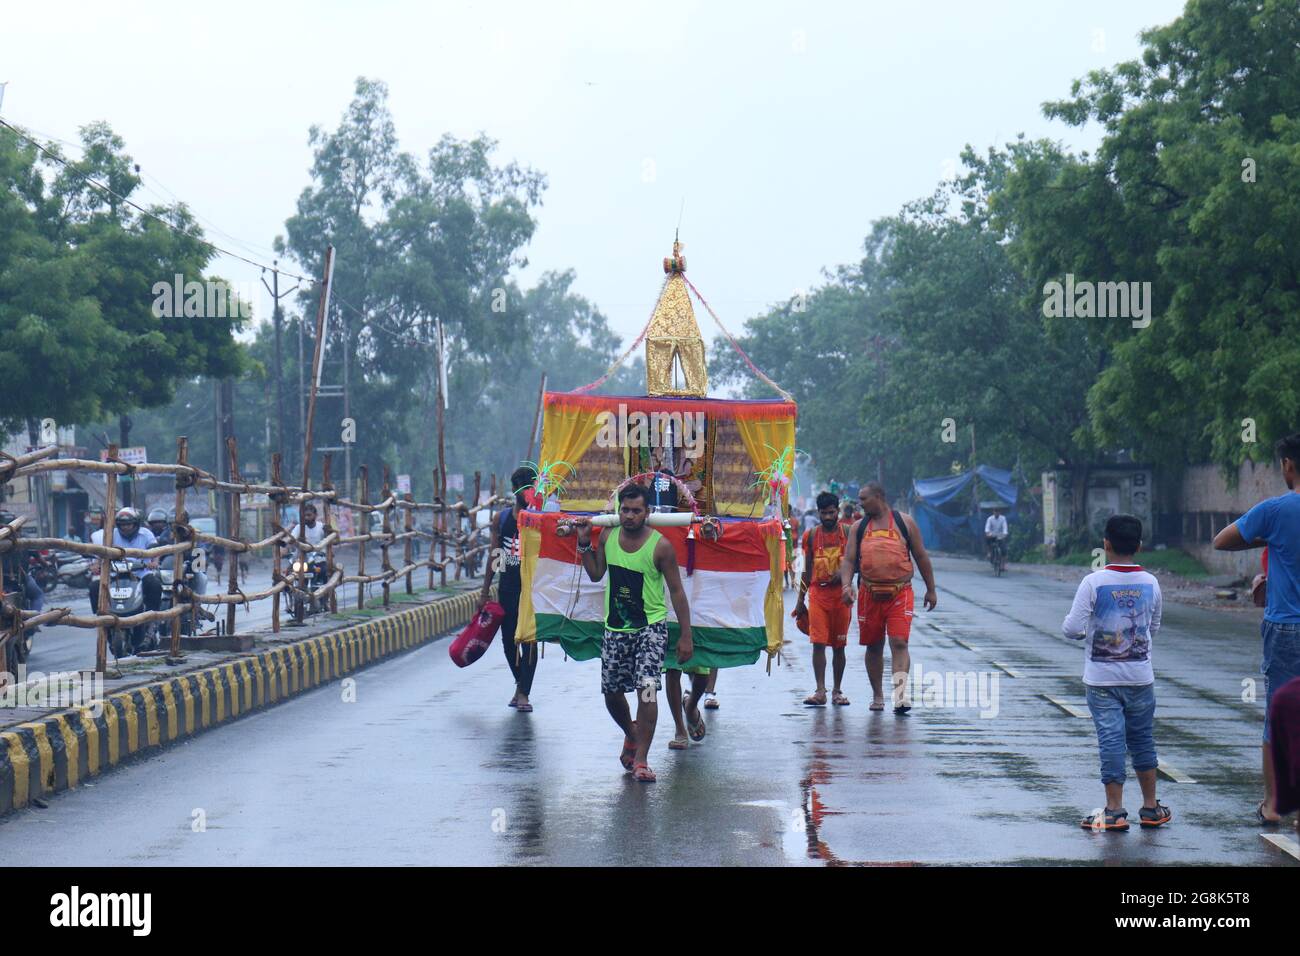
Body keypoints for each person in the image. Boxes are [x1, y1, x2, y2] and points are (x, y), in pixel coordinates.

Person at [571, 483, 693, 783]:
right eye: (624, 510)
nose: (629, 516)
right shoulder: (609, 536)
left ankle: (641, 760)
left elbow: (677, 591)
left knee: (647, 691)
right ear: (618, 511)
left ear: (647, 512)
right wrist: (585, 542)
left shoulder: (661, 546)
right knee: (612, 693)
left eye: (636, 510)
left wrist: (685, 636)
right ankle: (631, 732)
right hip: (615, 629)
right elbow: (596, 574)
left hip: (650, 631)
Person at [1213, 431, 1300, 825]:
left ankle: (1274, 805)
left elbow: (1222, 541)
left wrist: (1274, 541)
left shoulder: (1275, 510)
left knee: (1277, 716)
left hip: (1286, 629)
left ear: (1287, 465)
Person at [1063, 514, 1171, 831]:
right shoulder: (1151, 582)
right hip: (1140, 678)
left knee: (1111, 740)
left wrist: (1087, 635)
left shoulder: (1093, 582)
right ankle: (1151, 808)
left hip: (1101, 682)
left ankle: (1113, 810)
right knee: (1142, 740)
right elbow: (1154, 627)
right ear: (1139, 546)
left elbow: (1072, 628)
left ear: (1106, 545)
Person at [839, 482, 937, 713]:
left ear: (879, 497)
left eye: (864, 499)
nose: (860, 504)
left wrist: (931, 589)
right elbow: (849, 560)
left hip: (900, 592)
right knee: (873, 646)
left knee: (899, 642)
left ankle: (901, 696)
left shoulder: (905, 522)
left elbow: (921, 556)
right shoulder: (858, 527)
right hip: (868, 594)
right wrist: (846, 586)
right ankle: (877, 696)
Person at [477, 466, 539, 712]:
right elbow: (496, 555)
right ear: (514, 490)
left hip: (533, 590)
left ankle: (523, 693)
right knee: (507, 641)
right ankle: (519, 683)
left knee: (530, 641)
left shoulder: (539, 519)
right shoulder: (501, 519)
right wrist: (484, 591)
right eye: (522, 488)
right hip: (508, 588)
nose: (525, 493)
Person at [798, 492, 852, 706]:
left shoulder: (848, 533)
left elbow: (858, 560)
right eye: (824, 513)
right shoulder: (810, 536)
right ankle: (820, 691)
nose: (828, 517)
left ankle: (837, 691)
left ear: (837, 511)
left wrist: (845, 573)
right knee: (818, 643)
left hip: (842, 597)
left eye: (832, 512)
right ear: (818, 513)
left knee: (839, 646)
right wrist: (800, 599)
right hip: (818, 595)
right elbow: (805, 569)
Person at [89, 507, 162, 614]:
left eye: (128, 524)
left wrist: (154, 562)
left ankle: (151, 617)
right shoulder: (111, 534)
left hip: (141, 572)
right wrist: (96, 564)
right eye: (122, 525)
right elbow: (102, 552)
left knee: (154, 584)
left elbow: (155, 550)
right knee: (94, 586)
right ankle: (101, 615)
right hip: (115, 574)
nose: (125, 527)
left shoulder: (146, 534)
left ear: (136, 524)